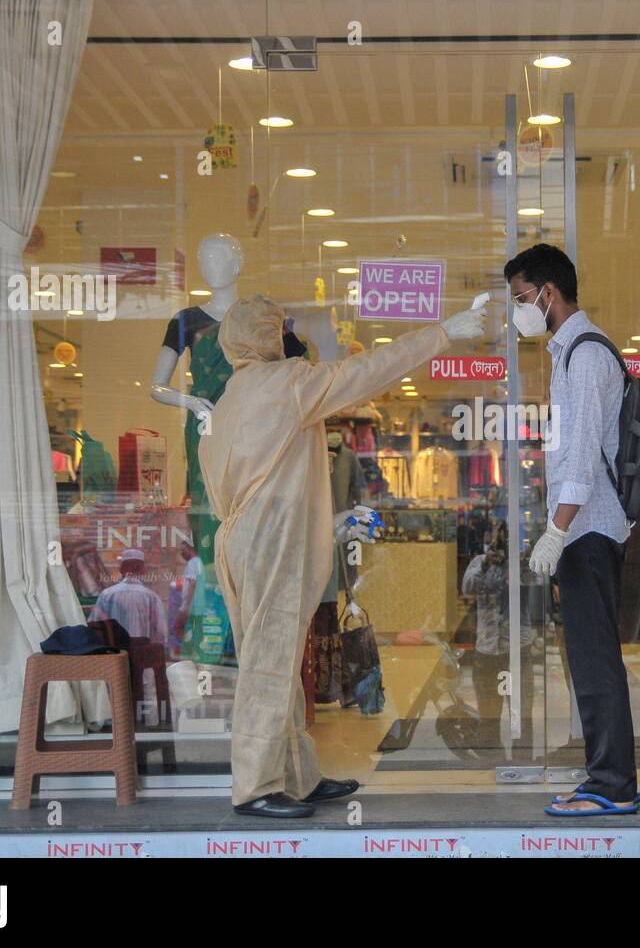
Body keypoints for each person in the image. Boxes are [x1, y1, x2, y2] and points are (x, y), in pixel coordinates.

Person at [199, 294, 487, 818]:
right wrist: (442, 332)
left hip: (241, 538)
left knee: (275, 662)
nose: (289, 336)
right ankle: (256, 786)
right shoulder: (287, 383)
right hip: (271, 540)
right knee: (269, 664)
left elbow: (239, 486)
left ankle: (295, 776)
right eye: (280, 326)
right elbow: (367, 370)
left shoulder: (225, 403)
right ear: (266, 335)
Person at [506, 244, 637, 816]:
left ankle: (611, 786)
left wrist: (556, 532)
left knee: (595, 660)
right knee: (590, 657)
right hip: (587, 531)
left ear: (547, 294)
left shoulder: (583, 357)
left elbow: (580, 461)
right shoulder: (570, 353)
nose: (519, 311)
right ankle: (605, 776)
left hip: (588, 532)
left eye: (520, 298)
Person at [462, 519, 536, 750]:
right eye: (493, 542)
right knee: (488, 713)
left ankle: (523, 760)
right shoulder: (479, 562)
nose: (497, 549)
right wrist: (486, 564)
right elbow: (467, 588)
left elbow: (534, 584)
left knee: (522, 713)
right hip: (486, 648)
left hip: (517, 647)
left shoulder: (520, 565)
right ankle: (489, 759)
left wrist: (519, 562)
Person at [90, 549, 167, 647]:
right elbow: (160, 632)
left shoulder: (107, 595)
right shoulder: (151, 597)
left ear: (121, 569)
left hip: (114, 654)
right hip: (141, 654)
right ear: (143, 569)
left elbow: (95, 625)